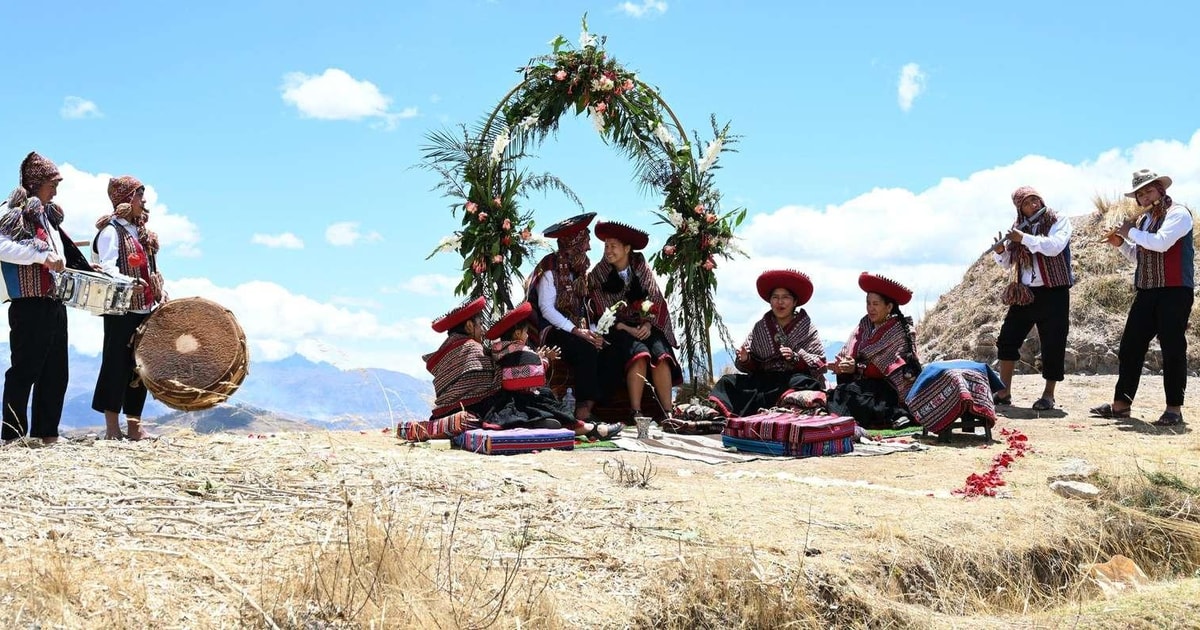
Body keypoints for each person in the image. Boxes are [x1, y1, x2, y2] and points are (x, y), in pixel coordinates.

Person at [0, 152, 92, 445]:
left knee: (56, 370)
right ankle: (13, 436)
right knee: (25, 369)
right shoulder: (13, 212)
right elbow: (2, 245)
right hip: (29, 302)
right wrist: (39, 256)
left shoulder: (47, 216)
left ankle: (47, 432)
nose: (55, 191)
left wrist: (87, 268)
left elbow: (60, 253)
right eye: (52, 185)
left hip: (54, 299)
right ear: (35, 183)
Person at [1091, 169, 1194, 427]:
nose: (1145, 197)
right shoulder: (1145, 220)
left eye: (1149, 191)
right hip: (1147, 290)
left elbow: (1161, 243)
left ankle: (1173, 409)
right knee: (1130, 346)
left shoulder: (1179, 214)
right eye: (1140, 194)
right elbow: (1140, 255)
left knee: (1172, 348)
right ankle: (1121, 405)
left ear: (1161, 190)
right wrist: (1120, 243)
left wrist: (1129, 231)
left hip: (1175, 290)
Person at [526, 212, 622, 440]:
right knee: (584, 349)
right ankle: (582, 412)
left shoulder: (580, 270)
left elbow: (585, 307)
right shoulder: (550, 267)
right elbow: (546, 309)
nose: (589, 247)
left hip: (576, 329)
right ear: (574, 243)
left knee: (610, 349)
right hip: (551, 331)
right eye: (586, 241)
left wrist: (594, 333)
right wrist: (578, 331)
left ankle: (598, 406)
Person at [91, 176, 165, 440]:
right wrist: (129, 283)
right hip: (120, 310)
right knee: (116, 365)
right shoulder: (111, 232)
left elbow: (150, 268)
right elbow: (107, 268)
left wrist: (159, 291)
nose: (144, 200)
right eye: (139, 195)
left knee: (140, 366)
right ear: (126, 199)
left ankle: (134, 426)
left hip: (145, 308)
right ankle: (112, 428)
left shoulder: (140, 232)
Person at [989, 185, 1073, 410]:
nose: (1033, 205)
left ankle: (1048, 395)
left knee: (1053, 343)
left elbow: (1054, 246)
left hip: (1054, 291)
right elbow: (1009, 263)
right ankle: (1004, 392)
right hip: (1025, 294)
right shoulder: (1018, 227)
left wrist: (1024, 238)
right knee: (1007, 339)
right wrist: (1001, 252)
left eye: (1035, 200)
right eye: (1026, 203)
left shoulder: (1058, 220)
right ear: (1020, 209)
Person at [587, 221, 682, 420]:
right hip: (616, 328)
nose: (608, 251)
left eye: (613, 246)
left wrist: (647, 323)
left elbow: (654, 296)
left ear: (627, 248)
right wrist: (626, 328)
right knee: (639, 354)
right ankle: (637, 411)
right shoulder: (598, 274)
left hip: (644, 324)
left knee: (661, 353)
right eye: (606, 246)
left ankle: (668, 412)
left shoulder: (639, 265)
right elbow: (602, 311)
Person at [708, 269, 826, 417]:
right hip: (765, 380)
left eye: (785, 297)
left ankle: (785, 407)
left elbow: (818, 362)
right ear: (770, 301)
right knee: (728, 381)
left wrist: (795, 357)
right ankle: (726, 416)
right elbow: (752, 365)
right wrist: (746, 359)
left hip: (792, 379)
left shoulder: (806, 327)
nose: (780, 302)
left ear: (795, 302)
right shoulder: (761, 327)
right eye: (775, 297)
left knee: (803, 382)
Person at [827, 272, 922, 430]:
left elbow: (888, 368)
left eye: (876, 304)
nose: (871, 308)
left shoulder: (899, 330)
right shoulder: (864, 325)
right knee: (840, 393)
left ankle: (898, 414)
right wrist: (843, 365)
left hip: (887, 388)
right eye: (868, 303)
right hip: (862, 384)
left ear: (889, 307)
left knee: (854, 397)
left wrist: (856, 367)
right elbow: (850, 351)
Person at [482, 301, 579, 431]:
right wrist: (546, 359)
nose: (527, 336)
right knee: (546, 396)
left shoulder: (497, 350)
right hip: (522, 395)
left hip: (502, 397)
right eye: (526, 332)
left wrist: (537, 357)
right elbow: (534, 373)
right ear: (517, 333)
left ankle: (531, 422)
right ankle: (539, 420)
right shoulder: (522, 350)